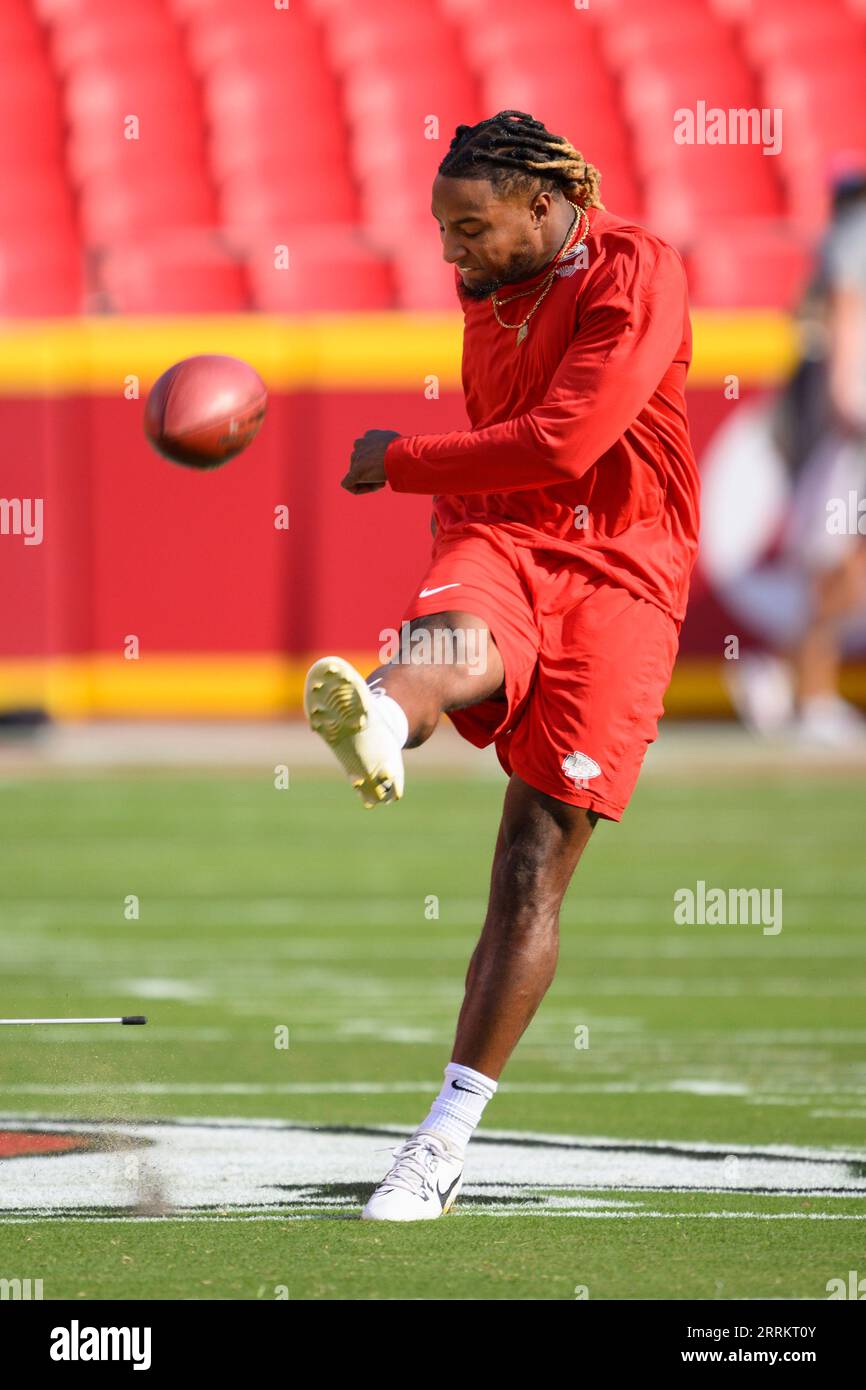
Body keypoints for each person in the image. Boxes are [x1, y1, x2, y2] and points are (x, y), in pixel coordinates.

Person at [304, 111, 700, 1221]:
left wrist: (401, 460)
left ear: (543, 202)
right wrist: (441, 484)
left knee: (530, 865)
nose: (449, 252)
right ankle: (382, 713)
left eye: (468, 227)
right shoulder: (492, 275)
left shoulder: (637, 267)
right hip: (501, 535)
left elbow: (571, 439)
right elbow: (524, 456)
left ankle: (441, 1142)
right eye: (442, 229)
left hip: (621, 575)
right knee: (449, 644)